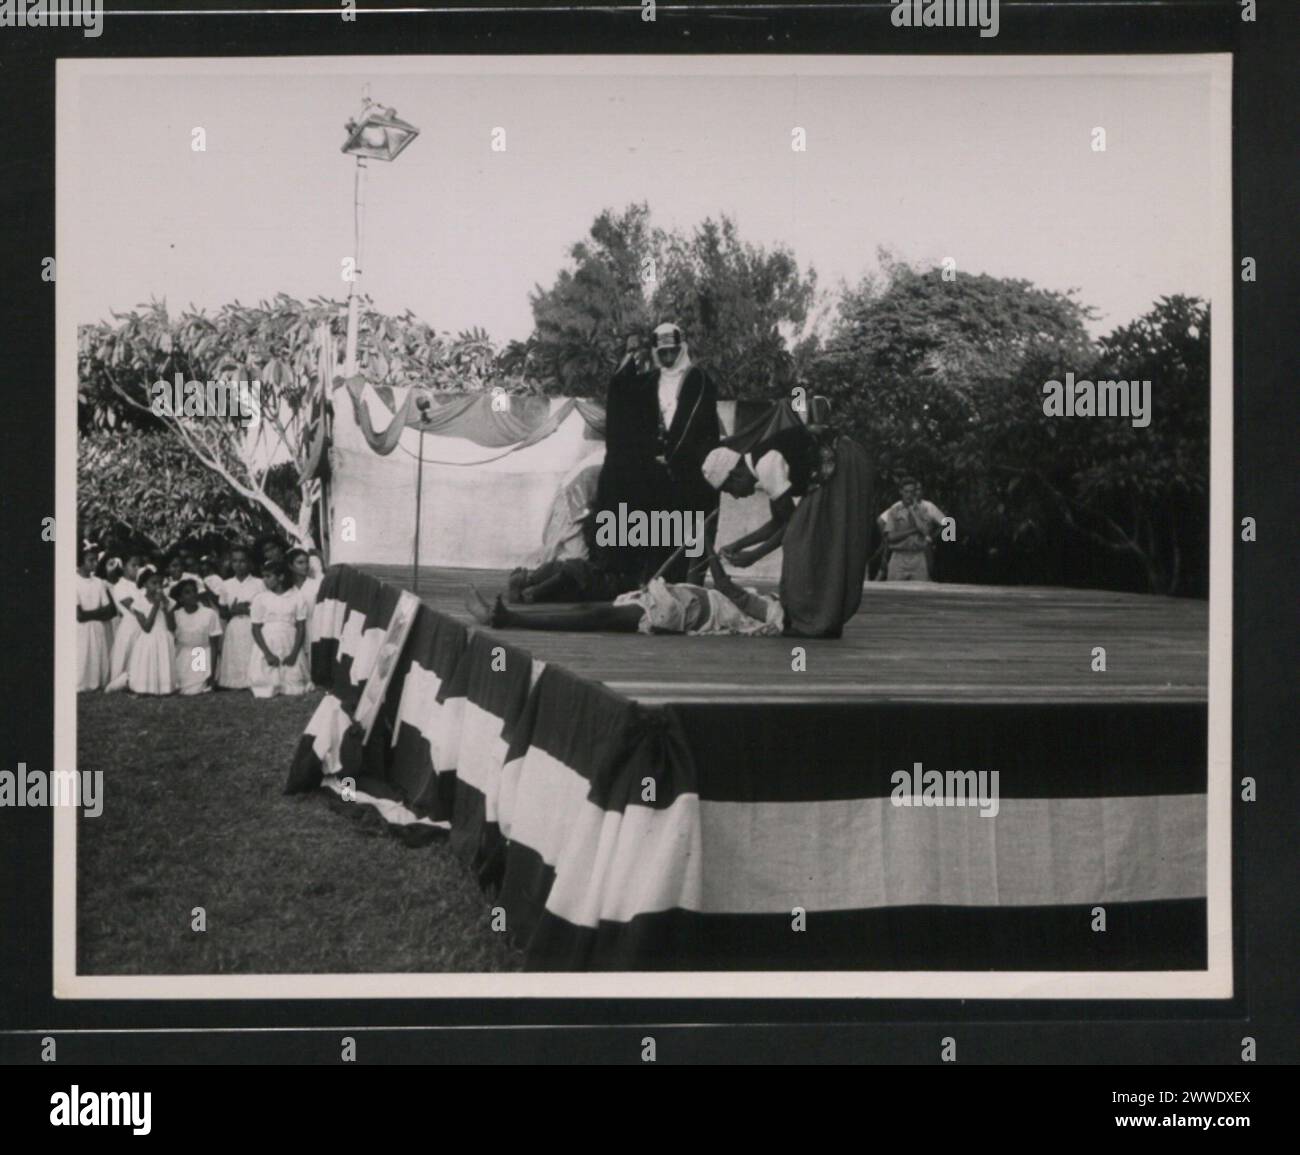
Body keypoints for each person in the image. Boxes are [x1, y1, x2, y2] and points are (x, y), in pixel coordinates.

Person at [702, 413, 872, 638]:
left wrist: (753, 555)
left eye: (729, 489)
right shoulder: (763, 462)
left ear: (735, 474)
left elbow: (791, 527)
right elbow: (778, 522)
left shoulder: (766, 465)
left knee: (802, 541)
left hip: (842, 464)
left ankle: (812, 620)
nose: (734, 496)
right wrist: (738, 544)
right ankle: (820, 618)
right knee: (809, 535)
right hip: (839, 465)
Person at [589, 322, 721, 586]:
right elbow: (620, 392)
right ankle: (645, 585)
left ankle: (681, 588)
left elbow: (700, 426)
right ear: (656, 353)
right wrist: (629, 356)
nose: (668, 357)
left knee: (684, 538)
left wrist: (677, 455)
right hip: (655, 477)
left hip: (687, 474)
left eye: (672, 352)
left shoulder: (699, 381)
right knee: (650, 533)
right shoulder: (649, 382)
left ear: (681, 349)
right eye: (663, 353)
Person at [466, 550, 782, 637]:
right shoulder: (771, 605)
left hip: (678, 611)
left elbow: (728, 590)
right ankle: (508, 616)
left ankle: (508, 618)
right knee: (592, 613)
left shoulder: (772, 613)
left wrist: (711, 553)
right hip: (676, 599)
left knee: (593, 616)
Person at [248, 562, 310, 699]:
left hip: (289, 640)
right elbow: (255, 628)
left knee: (294, 685)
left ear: (281, 577)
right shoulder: (260, 598)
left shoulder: (296, 597)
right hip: (268, 641)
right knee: (265, 686)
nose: (265, 580)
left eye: (269, 576)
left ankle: (289, 684)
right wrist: (267, 653)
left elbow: (300, 626)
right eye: (263, 576)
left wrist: (294, 653)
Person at [877, 477, 946, 581]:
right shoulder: (894, 510)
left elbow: (925, 532)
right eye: (906, 492)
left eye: (912, 492)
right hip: (899, 556)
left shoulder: (924, 509)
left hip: (918, 556)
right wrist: (913, 530)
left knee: (921, 592)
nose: (909, 495)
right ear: (901, 492)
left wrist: (913, 511)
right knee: (894, 592)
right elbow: (891, 536)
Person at [217, 547, 265, 690]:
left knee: (252, 652)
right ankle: (235, 682)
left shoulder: (259, 583)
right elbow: (223, 612)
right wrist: (233, 610)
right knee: (236, 653)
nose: (239, 565)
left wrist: (249, 610)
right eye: (235, 561)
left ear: (249, 563)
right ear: (231, 564)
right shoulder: (226, 585)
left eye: (243, 561)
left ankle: (253, 680)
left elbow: (267, 606)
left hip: (253, 625)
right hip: (235, 625)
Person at [125, 567, 176, 695]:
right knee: (148, 665)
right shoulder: (138, 603)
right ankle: (145, 688)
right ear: (145, 585)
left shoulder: (167, 601)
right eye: (154, 583)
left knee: (163, 662)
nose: (158, 586)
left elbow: (172, 626)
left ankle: (164, 688)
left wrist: (165, 606)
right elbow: (147, 627)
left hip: (164, 636)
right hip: (149, 639)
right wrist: (156, 606)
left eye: (160, 583)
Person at [171, 579, 224, 695]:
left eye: (194, 591)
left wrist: (212, 673)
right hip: (182, 655)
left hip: (200, 654)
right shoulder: (176, 615)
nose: (193, 595)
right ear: (180, 598)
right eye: (187, 592)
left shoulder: (209, 614)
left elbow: (214, 646)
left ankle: (206, 680)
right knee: (178, 687)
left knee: (194, 689)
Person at [76, 546, 116, 691]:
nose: (95, 563)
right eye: (90, 560)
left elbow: (110, 610)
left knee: (97, 657)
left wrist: (89, 614)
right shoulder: (73, 581)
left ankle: (97, 682)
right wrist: (99, 613)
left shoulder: (98, 582)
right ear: (81, 561)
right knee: (82, 656)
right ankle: (82, 684)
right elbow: (79, 616)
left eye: (96, 560)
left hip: (97, 628)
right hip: (81, 630)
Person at [106, 555, 146, 692]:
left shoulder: (140, 586)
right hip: (130, 626)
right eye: (133, 565)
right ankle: (120, 682)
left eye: (138, 565)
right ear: (124, 567)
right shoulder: (120, 586)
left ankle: (137, 681)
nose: (137, 569)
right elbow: (134, 607)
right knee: (127, 655)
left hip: (143, 625)